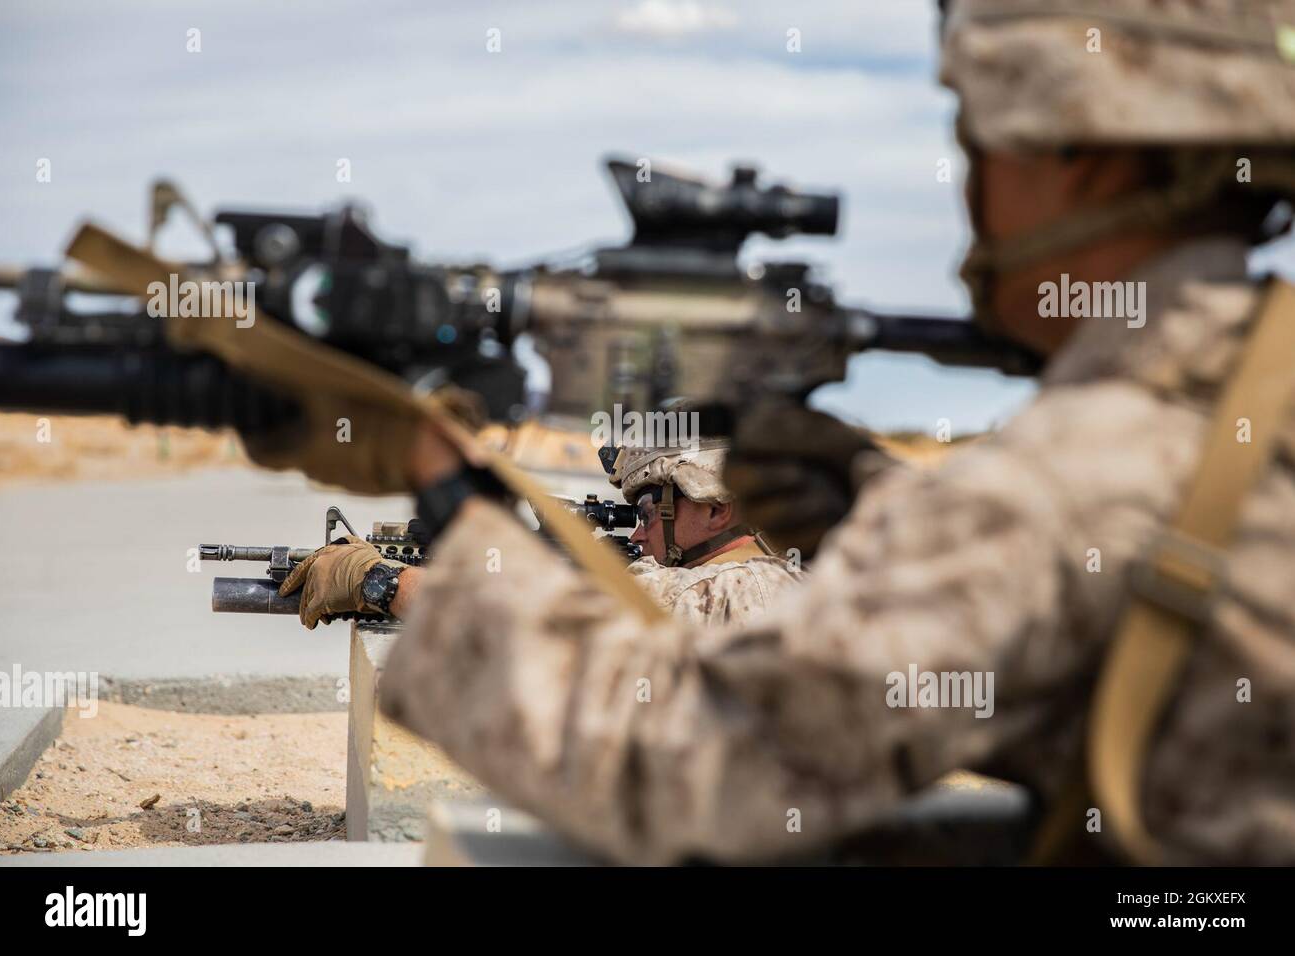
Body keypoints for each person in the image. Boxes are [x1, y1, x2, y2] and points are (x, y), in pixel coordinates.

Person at [291, 0, 1295, 864]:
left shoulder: (1068, 482)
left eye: (980, 140)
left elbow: (682, 759)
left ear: (1083, 156)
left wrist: (435, 483)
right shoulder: (1240, 405)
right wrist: (878, 504)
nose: (971, 191)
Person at [278, 439, 805, 629]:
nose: (639, 535)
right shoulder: (775, 579)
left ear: (719, 512)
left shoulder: (740, 594)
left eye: (648, 511)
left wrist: (380, 582)